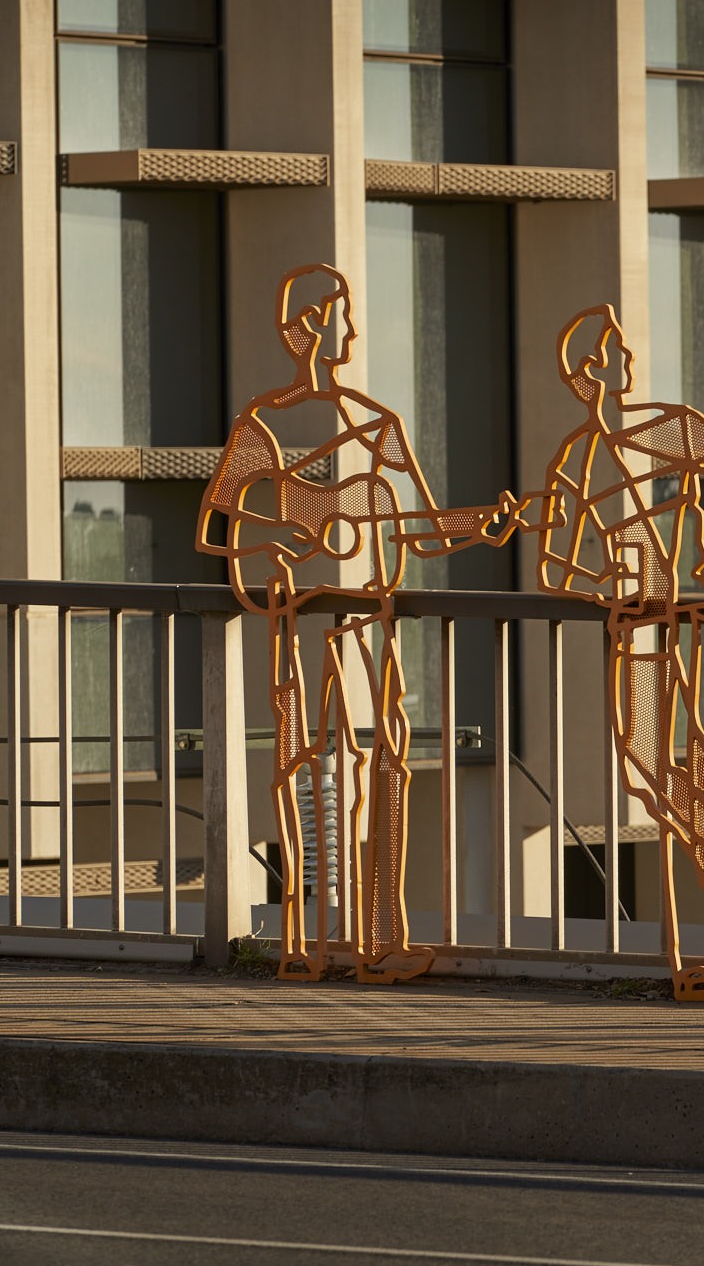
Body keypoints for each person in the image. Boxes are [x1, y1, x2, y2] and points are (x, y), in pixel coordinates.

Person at [198, 264, 546, 983]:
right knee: (300, 775)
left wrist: (484, 526)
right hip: (299, 634)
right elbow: (216, 528)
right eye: (340, 316)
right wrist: (277, 536)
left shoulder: (372, 420)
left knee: (384, 767)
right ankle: (304, 941)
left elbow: (422, 531)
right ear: (305, 329)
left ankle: (381, 936)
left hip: (370, 631)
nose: (351, 329)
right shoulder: (263, 424)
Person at [529, 304, 704, 1001]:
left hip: (689, 631)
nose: (628, 361)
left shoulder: (664, 428)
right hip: (635, 637)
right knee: (656, 783)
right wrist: (601, 583)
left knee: (694, 781)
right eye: (615, 351)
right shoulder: (578, 459)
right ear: (591, 372)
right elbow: (554, 567)